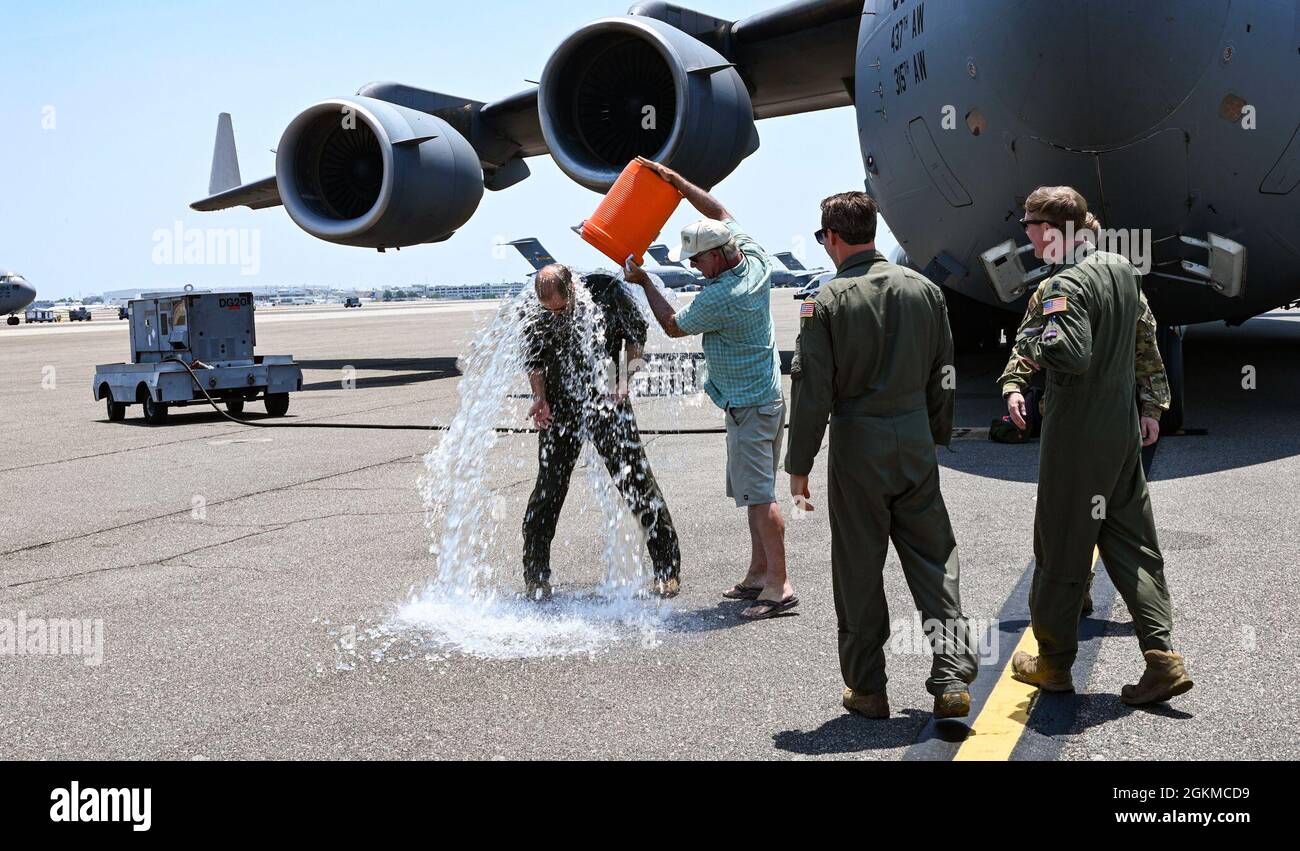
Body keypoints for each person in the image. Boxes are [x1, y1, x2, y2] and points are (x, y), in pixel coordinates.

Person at [785, 191, 977, 720]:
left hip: (858, 445)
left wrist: (799, 465)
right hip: (914, 439)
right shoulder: (925, 291)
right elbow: (945, 373)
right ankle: (952, 674)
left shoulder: (825, 302)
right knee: (935, 561)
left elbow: (813, 391)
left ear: (833, 238)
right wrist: (934, 434)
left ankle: (868, 688)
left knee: (859, 569)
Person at [1008, 186, 1192, 706]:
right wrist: (1153, 406)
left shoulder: (1062, 285)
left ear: (1051, 229)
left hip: (1076, 436)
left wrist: (1039, 353)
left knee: (1062, 550)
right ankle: (1162, 658)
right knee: (1134, 545)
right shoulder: (1119, 269)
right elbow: (1145, 339)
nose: (1024, 232)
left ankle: (1053, 664)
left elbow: (1069, 352)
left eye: (1028, 223)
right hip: (1119, 433)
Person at [622, 156, 793, 621]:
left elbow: (674, 325)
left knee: (760, 497)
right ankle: (759, 572)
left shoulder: (723, 296)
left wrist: (645, 280)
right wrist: (678, 182)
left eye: (697, 260)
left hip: (750, 404)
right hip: (760, 399)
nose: (696, 268)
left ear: (717, 256)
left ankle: (779, 585)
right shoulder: (752, 258)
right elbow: (720, 211)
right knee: (753, 492)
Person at [521, 264, 681, 601]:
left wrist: (624, 382)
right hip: (560, 406)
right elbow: (533, 359)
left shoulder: (607, 292)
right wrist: (540, 398)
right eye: (550, 310)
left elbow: (637, 337)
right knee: (547, 491)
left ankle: (667, 570)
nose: (557, 315)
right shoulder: (534, 309)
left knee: (636, 482)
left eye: (562, 308)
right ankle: (536, 575)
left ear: (573, 289)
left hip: (608, 397)